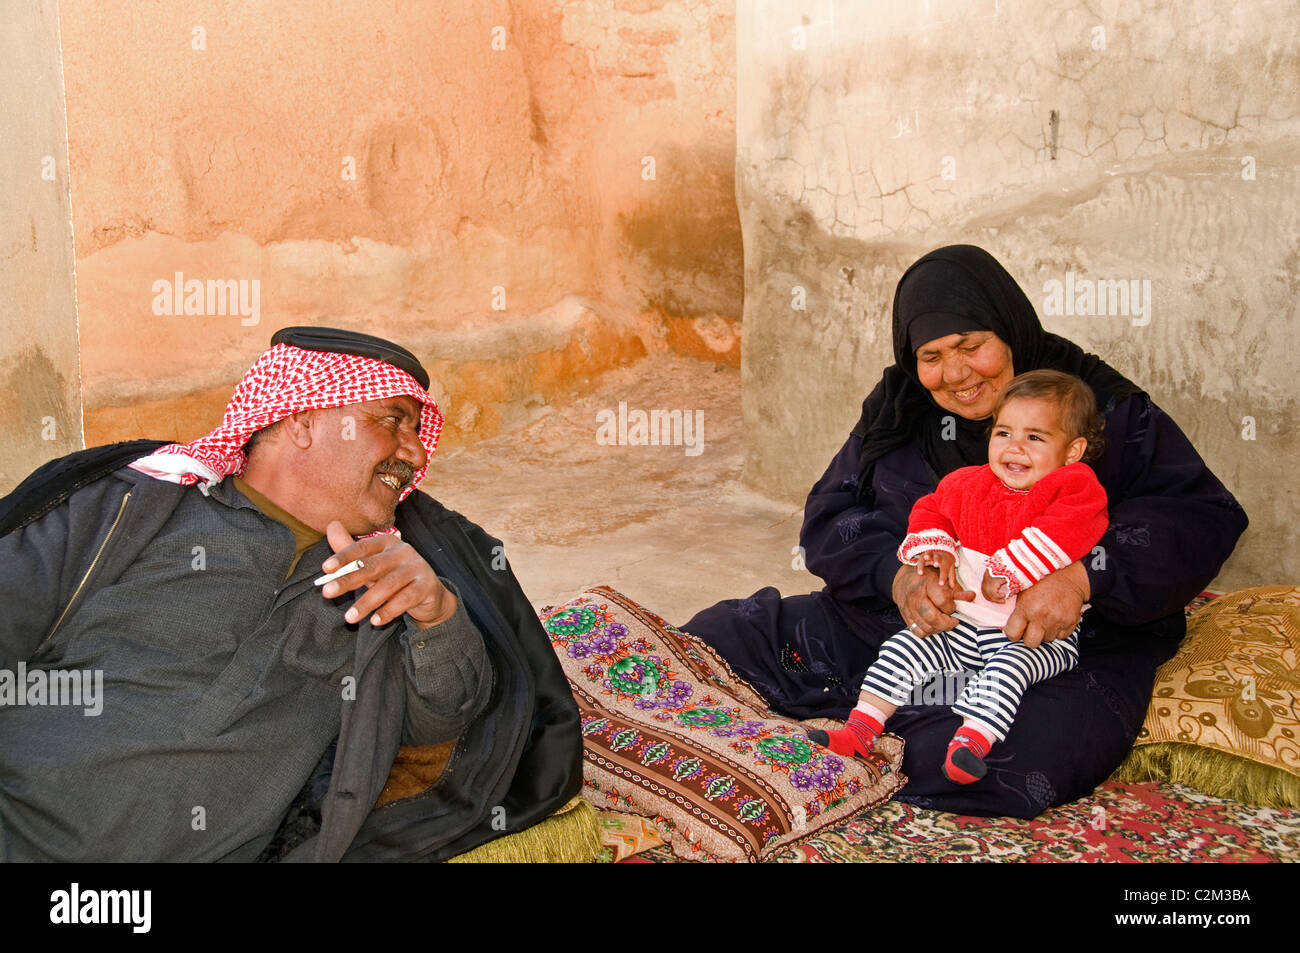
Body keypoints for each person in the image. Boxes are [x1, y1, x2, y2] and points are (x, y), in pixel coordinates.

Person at [681, 245, 1248, 818]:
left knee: (1027, 759)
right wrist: (899, 578)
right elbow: (831, 514)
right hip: (901, 626)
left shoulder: (1094, 407)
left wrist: (1080, 580)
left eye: (971, 346)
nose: (955, 374)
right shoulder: (899, 407)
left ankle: (851, 746)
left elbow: (1200, 514)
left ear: (1008, 328)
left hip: (1043, 645)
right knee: (717, 638)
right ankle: (862, 731)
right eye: (931, 356)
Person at [0, 326, 581, 861]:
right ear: (301, 419)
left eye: (417, 431)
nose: (416, 453)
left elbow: (442, 732)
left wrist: (438, 617)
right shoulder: (131, 508)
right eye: (393, 421)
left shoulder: (394, 575)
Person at [808, 370, 1109, 786]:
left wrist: (1008, 571)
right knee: (905, 646)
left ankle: (970, 743)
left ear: (1072, 451)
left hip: (1034, 635)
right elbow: (932, 511)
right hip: (963, 626)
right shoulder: (969, 483)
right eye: (1003, 433)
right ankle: (860, 729)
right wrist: (936, 551)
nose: (1014, 448)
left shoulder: (1074, 487)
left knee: (1008, 669)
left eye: (1035, 439)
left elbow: (1069, 528)